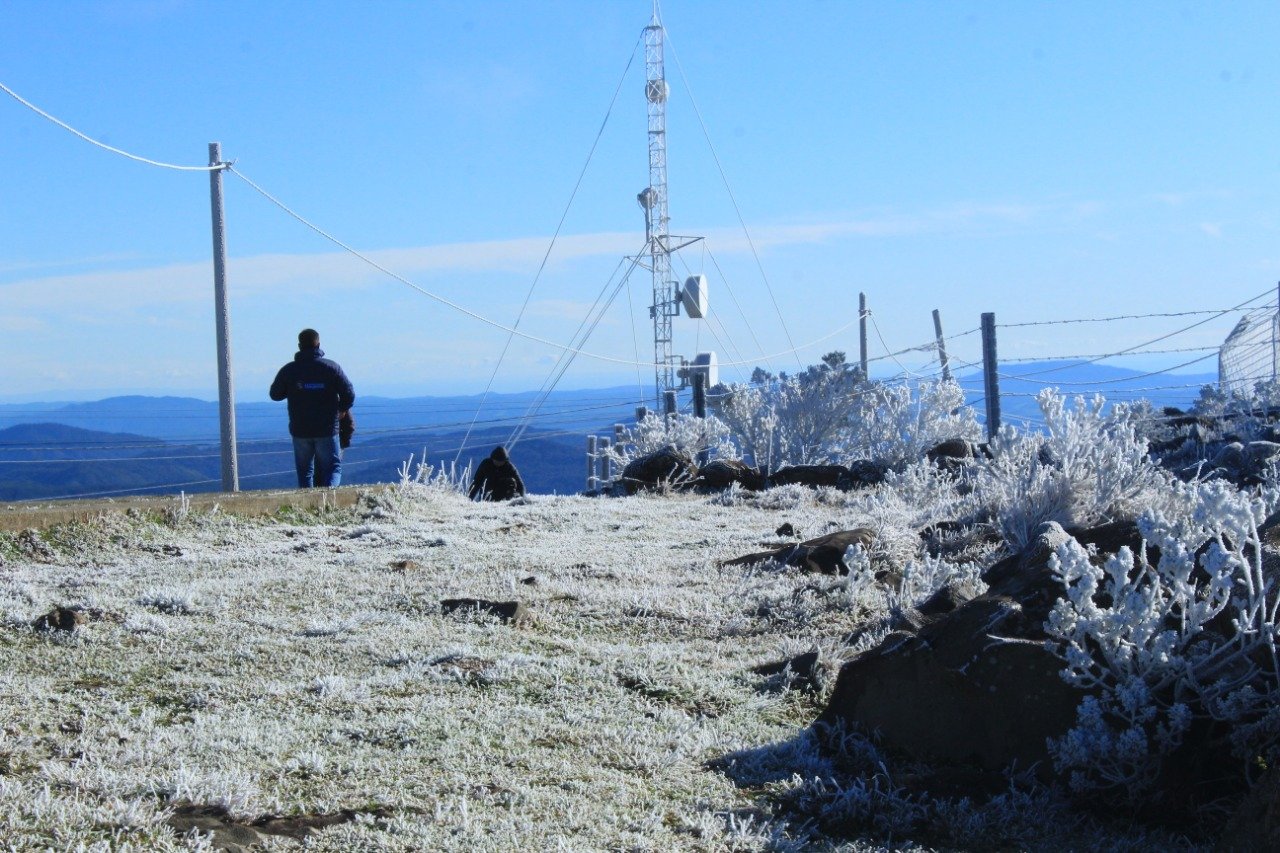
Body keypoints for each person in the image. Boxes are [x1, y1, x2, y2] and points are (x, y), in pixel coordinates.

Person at [269, 328, 355, 488]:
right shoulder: (332, 368)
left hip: (300, 429)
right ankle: (329, 501)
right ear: (318, 344)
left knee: (305, 472)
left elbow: (275, 394)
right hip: (327, 428)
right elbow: (349, 393)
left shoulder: (289, 370)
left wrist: (295, 388)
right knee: (333, 469)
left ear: (299, 345)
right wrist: (342, 410)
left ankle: (307, 505)